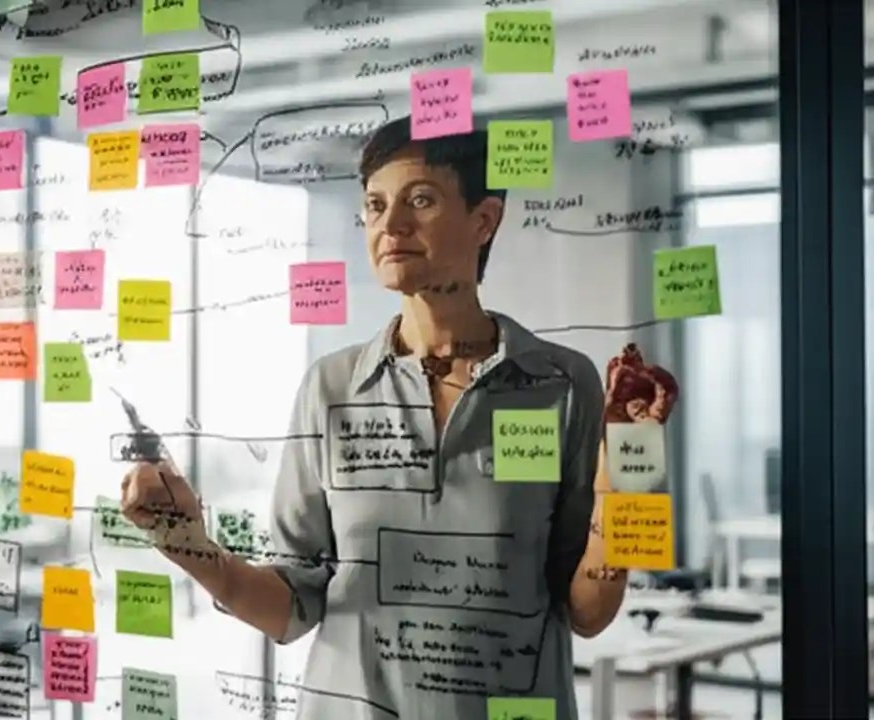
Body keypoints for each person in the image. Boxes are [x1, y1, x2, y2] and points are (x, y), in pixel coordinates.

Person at [121, 116, 626, 719]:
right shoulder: (332, 388)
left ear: (484, 220)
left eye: (421, 200)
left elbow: (589, 613)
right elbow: (293, 605)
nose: (391, 225)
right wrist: (188, 545)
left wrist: (628, 474)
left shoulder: (561, 384)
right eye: (376, 205)